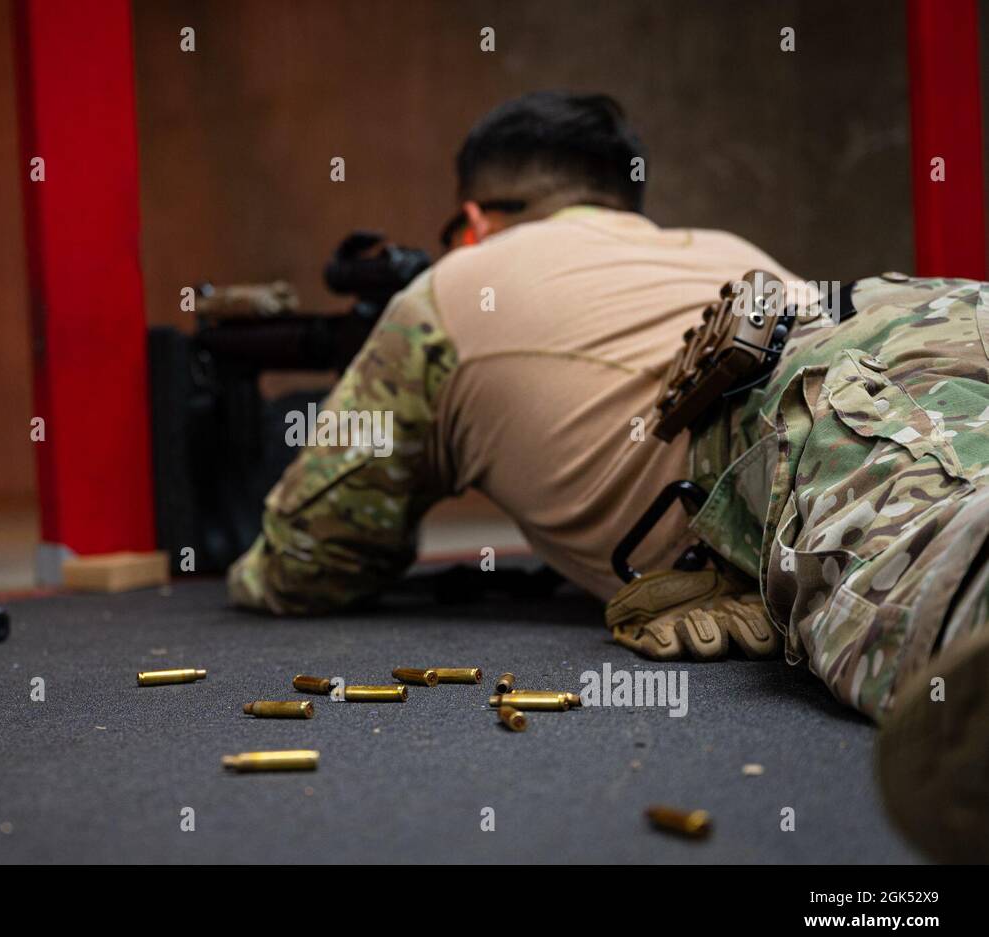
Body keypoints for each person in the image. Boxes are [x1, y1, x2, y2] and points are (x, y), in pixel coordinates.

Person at [227, 90, 989, 861]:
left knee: (956, 616)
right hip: (937, 318)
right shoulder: (721, 246)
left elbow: (304, 559)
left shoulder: (443, 295)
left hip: (815, 409)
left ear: (473, 221)